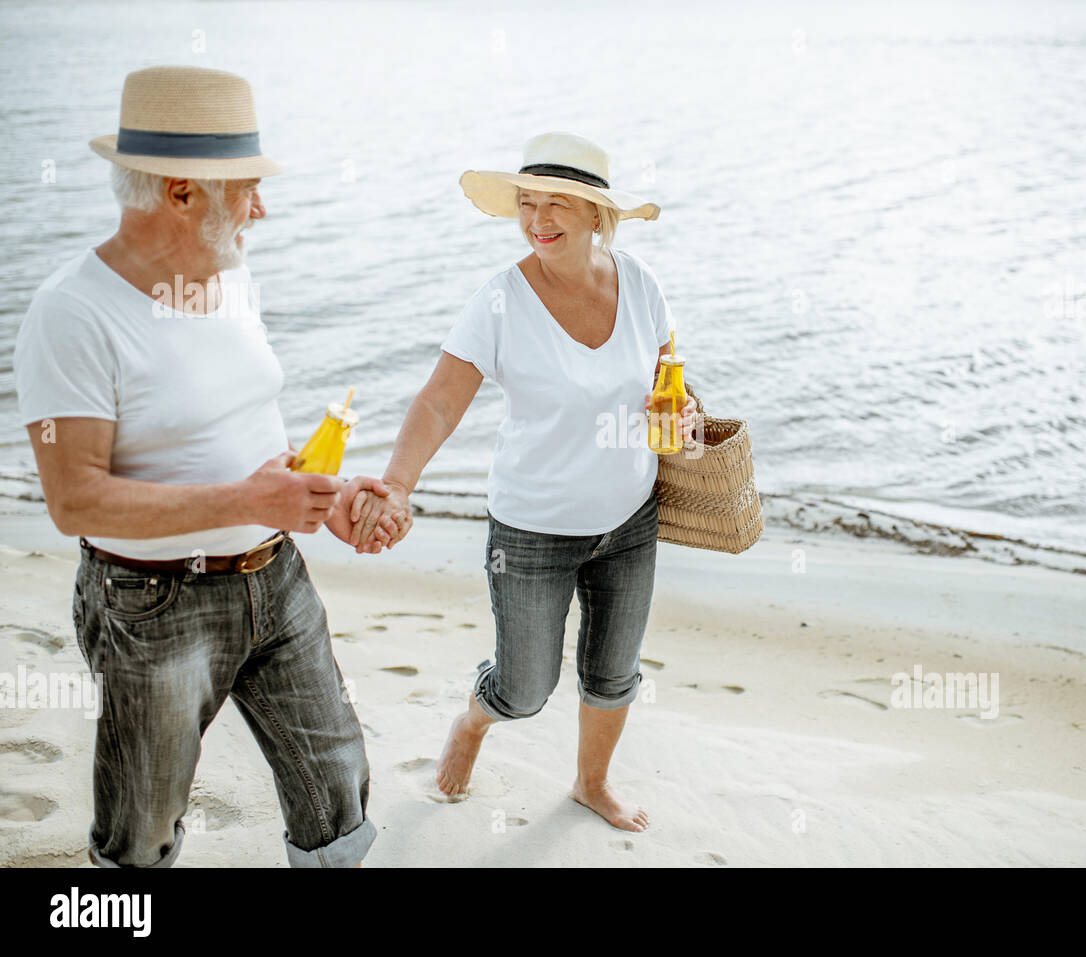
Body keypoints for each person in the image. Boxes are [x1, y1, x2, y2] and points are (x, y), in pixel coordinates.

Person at [13, 66, 407, 867]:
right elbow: (74, 500)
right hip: (155, 606)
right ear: (182, 193)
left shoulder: (228, 275)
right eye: (247, 189)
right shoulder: (71, 313)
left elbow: (242, 427)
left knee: (335, 782)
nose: (262, 207)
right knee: (142, 828)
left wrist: (315, 494)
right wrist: (245, 495)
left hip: (278, 578)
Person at [349, 132, 696, 832]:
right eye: (527, 203)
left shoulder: (644, 285)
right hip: (532, 529)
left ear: (597, 213)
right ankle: (474, 721)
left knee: (614, 672)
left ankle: (591, 783)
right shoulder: (501, 300)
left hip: (630, 520)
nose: (538, 219)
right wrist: (396, 486)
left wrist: (684, 414)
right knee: (524, 686)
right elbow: (440, 400)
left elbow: (670, 382)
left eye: (556, 203)